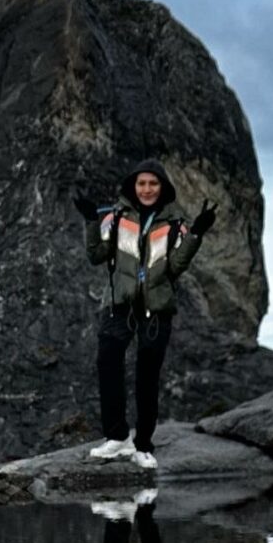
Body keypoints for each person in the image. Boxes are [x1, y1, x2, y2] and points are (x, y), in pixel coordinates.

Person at [74, 160, 216, 469]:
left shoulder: (174, 225)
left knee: (147, 377)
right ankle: (117, 437)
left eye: (153, 183)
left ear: (162, 187)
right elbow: (96, 256)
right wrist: (89, 220)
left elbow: (175, 267)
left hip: (156, 308)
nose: (147, 189)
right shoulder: (116, 217)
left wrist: (196, 234)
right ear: (133, 187)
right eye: (142, 183)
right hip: (119, 305)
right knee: (108, 363)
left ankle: (143, 445)